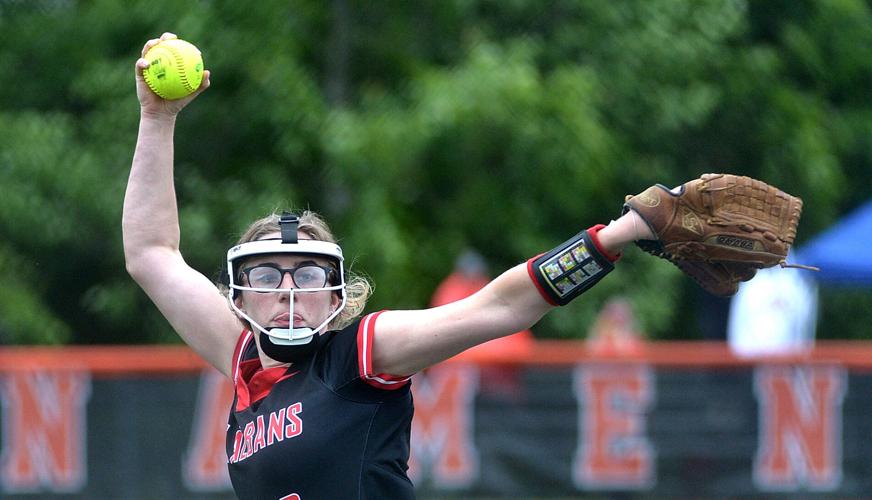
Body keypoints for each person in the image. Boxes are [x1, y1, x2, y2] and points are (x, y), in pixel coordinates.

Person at [122, 33, 655, 500]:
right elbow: (151, 254)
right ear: (237, 297)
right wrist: (157, 117)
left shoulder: (360, 352)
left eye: (307, 274)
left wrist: (618, 234)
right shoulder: (241, 361)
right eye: (266, 275)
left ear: (336, 297)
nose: (287, 290)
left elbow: (502, 306)